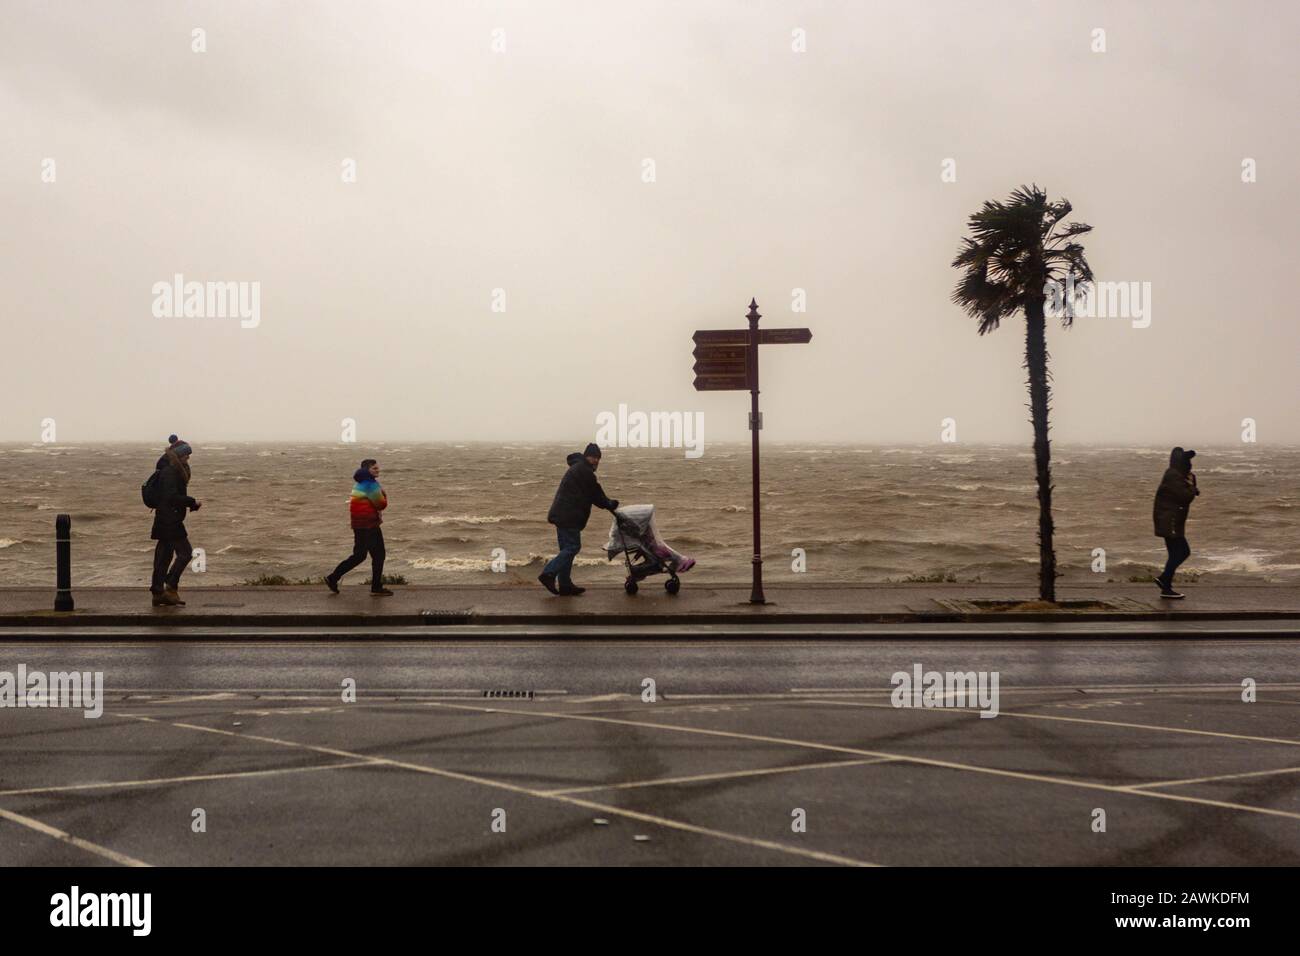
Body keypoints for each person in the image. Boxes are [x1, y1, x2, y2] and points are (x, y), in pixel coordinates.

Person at [540, 443, 618, 596]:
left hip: (563, 515)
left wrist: (607, 503)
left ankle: (565, 584)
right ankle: (548, 573)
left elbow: (593, 492)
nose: (596, 461)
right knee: (573, 547)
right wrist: (609, 504)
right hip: (569, 516)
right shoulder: (583, 471)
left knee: (566, 549)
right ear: (586, 456)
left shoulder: (578, 468)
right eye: (593, 457)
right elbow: (595, 493)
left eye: (598, 458)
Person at [326, 459, 392, 596]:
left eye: (378, 468)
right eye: (374, 468)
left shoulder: (359, 483)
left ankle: (334, 578)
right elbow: (381, 504)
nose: (378, 470)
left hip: (360, 525)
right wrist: (384, 494)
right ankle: (334, 578)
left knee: (363, 555)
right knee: (375, 555)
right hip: (369, 525)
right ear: (367, 470)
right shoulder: (370, 484)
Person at [149, 438, 200, 606]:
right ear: (178, 456)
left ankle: (158, 593)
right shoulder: (170, 472)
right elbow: (171, 497)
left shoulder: (171, 470)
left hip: (165, 518)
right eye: (186, 454)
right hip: (169, 520)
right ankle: (170, 585)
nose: (188, 458)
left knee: (163, 557)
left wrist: (188, 504)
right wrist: (191, 501)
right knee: (185, 553)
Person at [1152, 447, 1199, 599]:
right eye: (1187, 462)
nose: (1190, 465)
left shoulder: (1175, 475)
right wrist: (1191, 486)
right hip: (1169, 521)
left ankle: (1166, 588)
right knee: (1183, 551)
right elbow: (1185, 496)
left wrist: (1191, 484)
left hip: (1170, 521)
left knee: (1174, 553)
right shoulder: (1173, 476)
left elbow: (1187, 492)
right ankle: (1164, 579)